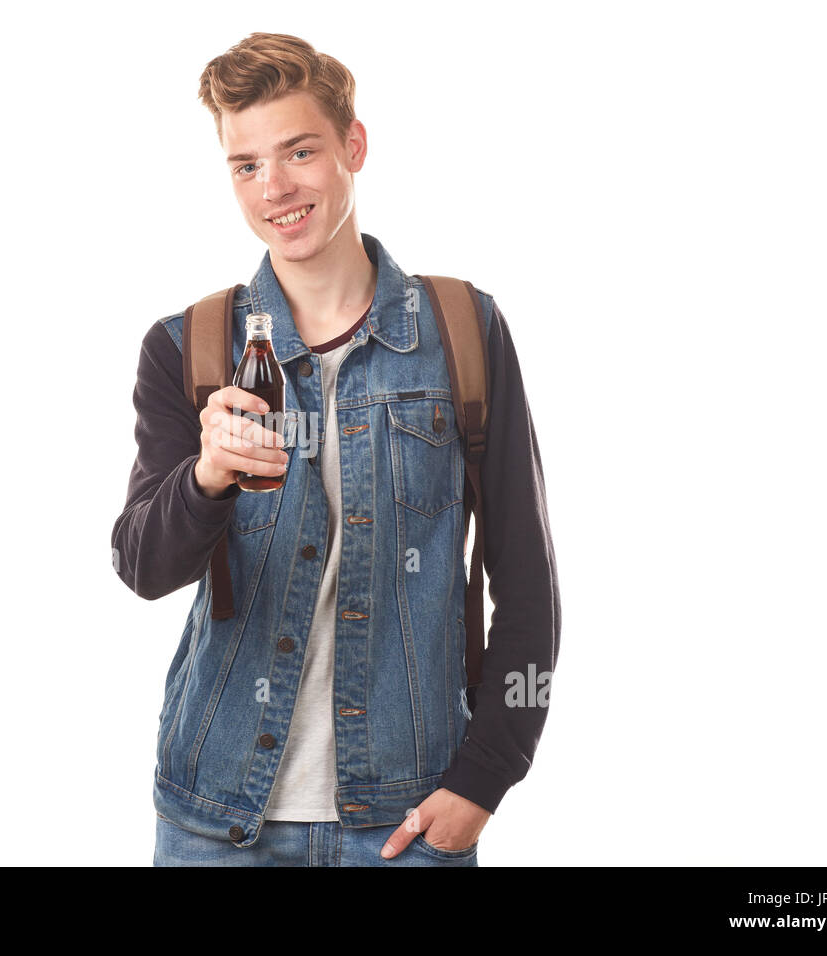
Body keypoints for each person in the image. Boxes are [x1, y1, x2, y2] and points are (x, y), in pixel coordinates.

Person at [111, 32, 560, 867]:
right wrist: (206, 478)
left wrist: (486, 780)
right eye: (245, 165)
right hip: (215, 819)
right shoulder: (191, 348)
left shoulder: (463, 332)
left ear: (354, 145)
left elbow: (526, 580)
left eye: (300, 151)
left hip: (407, 821)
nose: (274, 187)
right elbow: (141, 565)